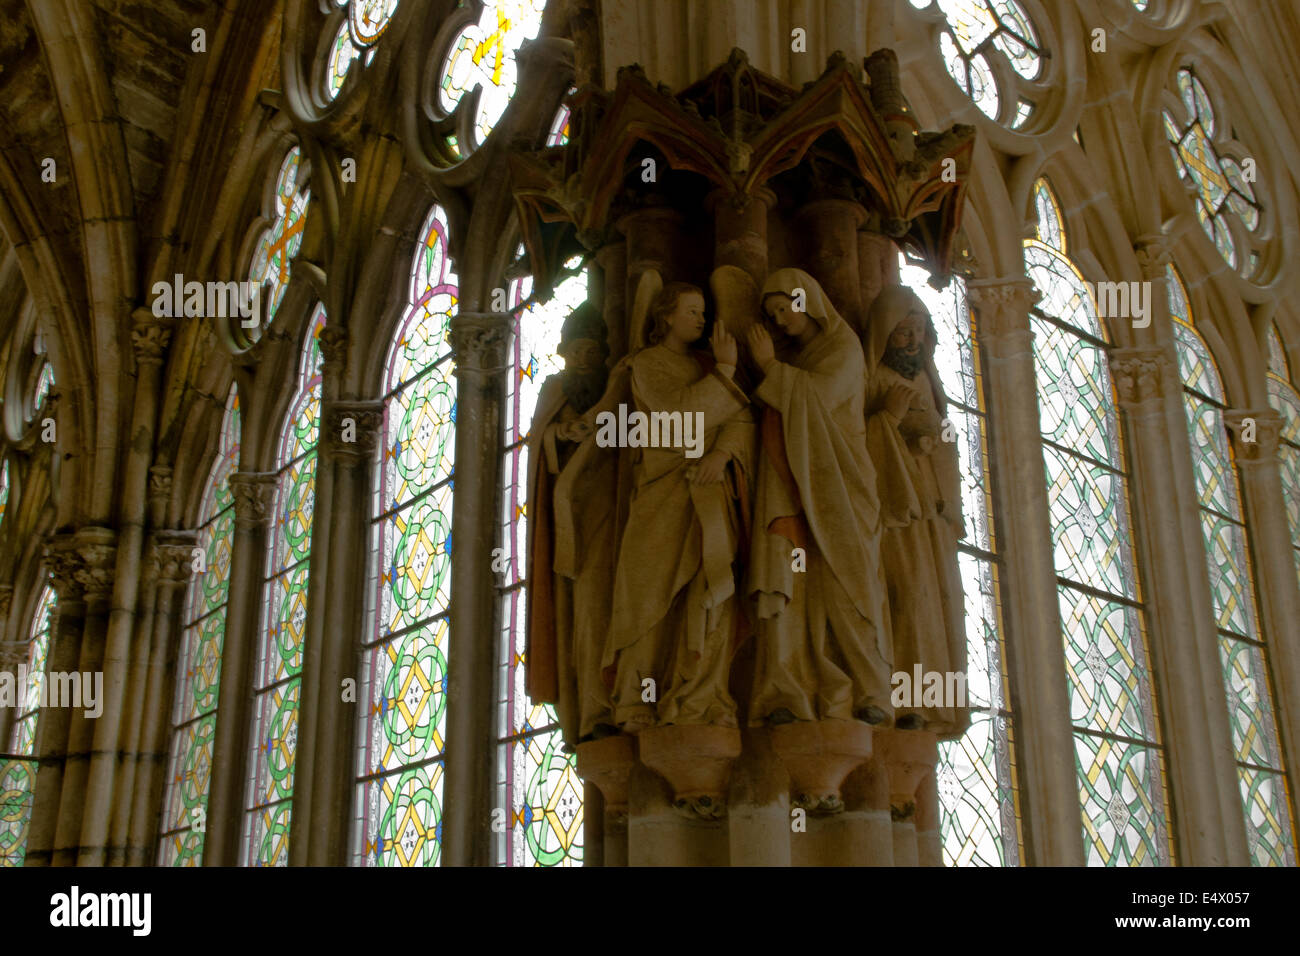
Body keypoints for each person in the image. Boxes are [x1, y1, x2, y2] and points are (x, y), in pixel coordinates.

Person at [745, 268, 893, 727]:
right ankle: (802, 688)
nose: (778, 319)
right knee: (802, 582)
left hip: (843, 486)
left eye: (782, 308)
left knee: (849, 583)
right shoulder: (805, 356)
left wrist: (770, 368)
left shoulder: (841, 347)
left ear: (804, 298)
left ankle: (871, 690)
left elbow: (822, 398)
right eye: (771, 314)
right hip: (799, 484)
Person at [605, 282, 755, 733]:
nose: (701, 320)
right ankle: (636, 698)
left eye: (703, 312)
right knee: (648, 597)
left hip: (708, 493)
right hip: (662, 492)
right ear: (666, 315)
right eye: (691, 311)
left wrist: (722, 455)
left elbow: (742, 417)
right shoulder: (646, 365)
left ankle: (699, 695)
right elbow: (678, 418)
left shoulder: (706, 367)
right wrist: (726, 370)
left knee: (710, 591)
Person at [864, 286, 967, 734]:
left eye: (918, 332)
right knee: (902, 597)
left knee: (931, 603)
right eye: (902, 332)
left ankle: (926, 702)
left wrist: (932, 448)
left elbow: (945, 441)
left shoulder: (926, 380)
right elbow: (851, 439)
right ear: (884, 335)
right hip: (892, 509)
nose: (910, 341)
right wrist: (887, 420)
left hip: (929, 510)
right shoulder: (871, 379)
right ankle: (894, 696)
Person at [525, 302, 618, 745]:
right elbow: (538, 440)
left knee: (610, 607)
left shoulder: (616, 390)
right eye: (576, 351)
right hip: (569, 521)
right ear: (563, 353)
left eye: (591, 351)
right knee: (578, 615)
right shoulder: (554, 390)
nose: (584, 359)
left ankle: (615, 701)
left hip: (613, 506)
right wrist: (561, 434)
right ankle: (587, 709)